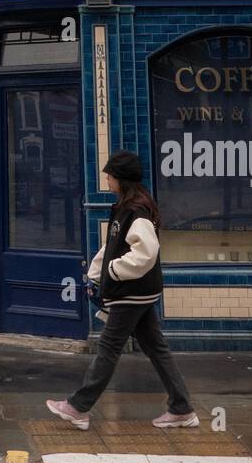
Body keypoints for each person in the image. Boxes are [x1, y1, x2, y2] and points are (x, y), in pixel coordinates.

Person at [46, 149, 197, 431]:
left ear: (121, 179)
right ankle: (182, 408)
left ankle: (78, 407)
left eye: (110, 175)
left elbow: (146, 252)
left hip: (132, 292)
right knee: (156, 348)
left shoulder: (135, 211)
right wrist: (96, 272)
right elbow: (115, 246)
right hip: (139, 291)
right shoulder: (125, 207)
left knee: (109, 347)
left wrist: (114, 272)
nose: (106, 179)